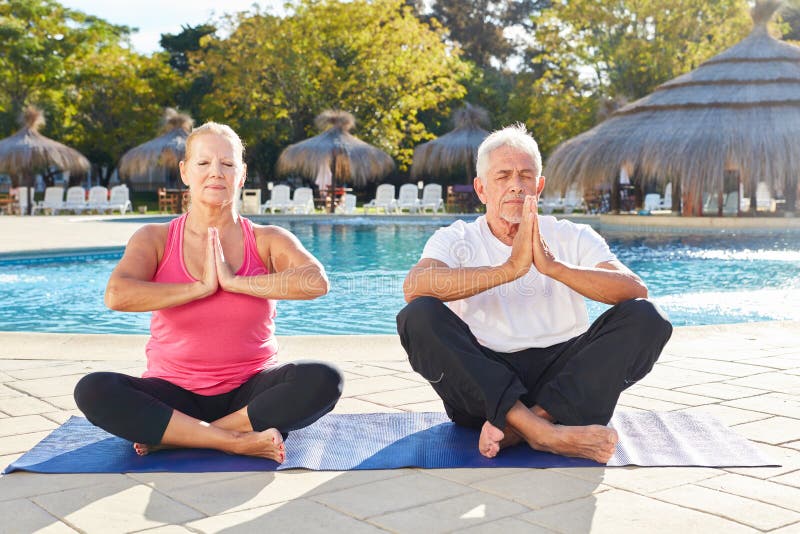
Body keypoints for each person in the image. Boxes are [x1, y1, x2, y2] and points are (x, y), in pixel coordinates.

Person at [396, 124, 672, 464]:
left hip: (564, 380)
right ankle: (544, 434)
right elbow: (415, 286)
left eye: (525, 176)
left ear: (538, 187)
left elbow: (635, 289)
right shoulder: (456, 238)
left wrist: (554, 267)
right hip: (482, 383)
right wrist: (509, 269)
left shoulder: (573, 235)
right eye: (503, 176)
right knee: (418, 316)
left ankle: (526, 424)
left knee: (648, 316)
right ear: (481, 189)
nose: (516, 185)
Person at [74, 122, 342, 463]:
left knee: (324, 379)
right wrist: (198, 288)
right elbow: (117, 294)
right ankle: (234, 440)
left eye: (227, 164)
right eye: (203, 163)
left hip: (251, 393)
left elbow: (315, 281)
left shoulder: (267, 239)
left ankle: (184, 437)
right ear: (185, 171)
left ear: (241, 175)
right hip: (174, 394)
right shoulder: (155, 239)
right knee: (94, 390)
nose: (216, 172)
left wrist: (235, 283)